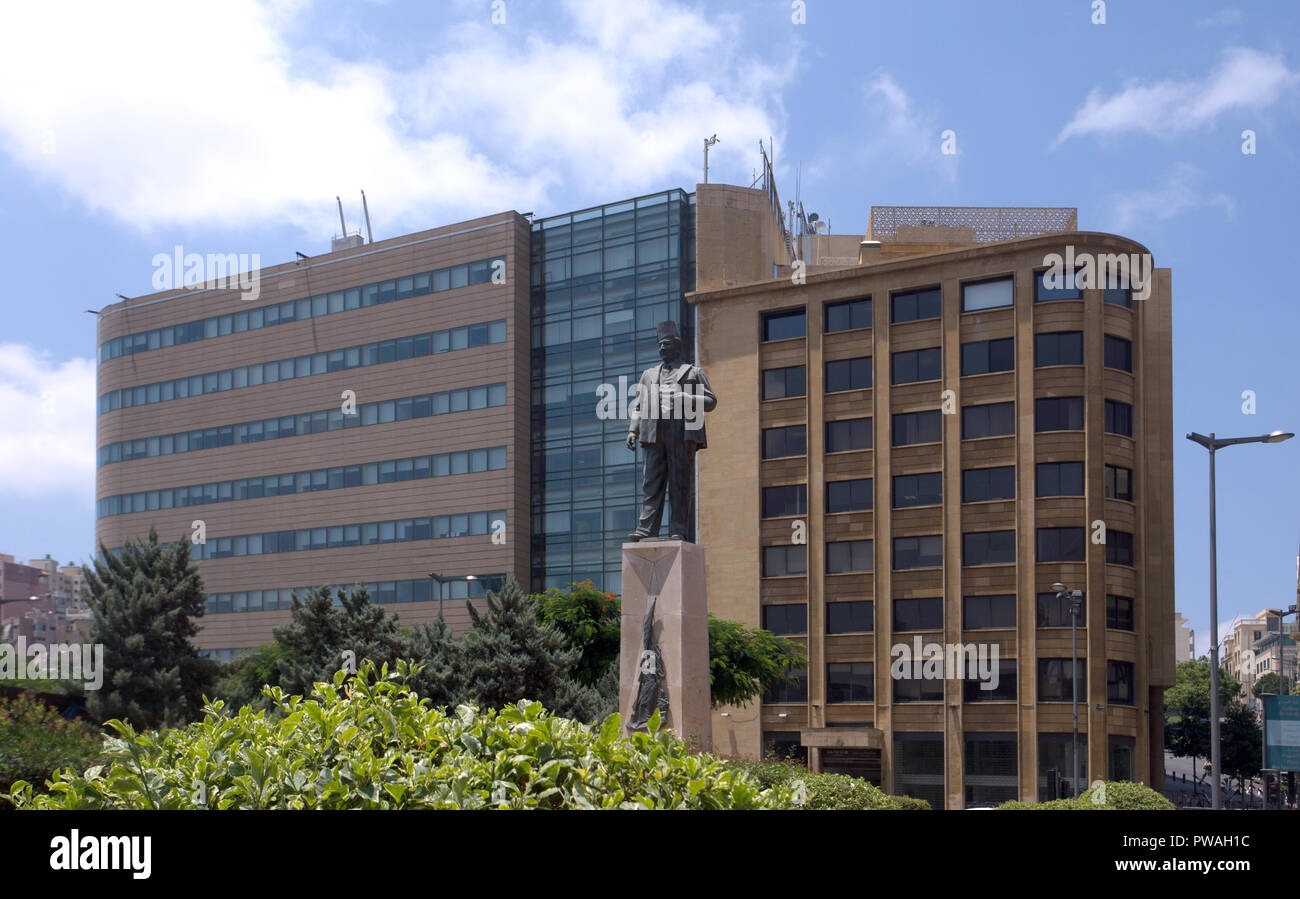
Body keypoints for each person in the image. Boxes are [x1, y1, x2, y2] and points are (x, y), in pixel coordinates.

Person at [625, 320, 716, 541]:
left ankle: (679, 530)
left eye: (666, 344)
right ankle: (646, 529)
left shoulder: (693, 372)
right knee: (651, 482)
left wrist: (688, 398)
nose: (662, 349)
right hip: (654, 432)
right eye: (659, 345)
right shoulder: (648, 375)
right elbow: (638, 405)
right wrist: (633, 430)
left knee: (680, 483)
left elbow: (711, 401)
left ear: (676, 345)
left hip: (682, 432)